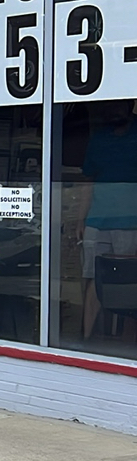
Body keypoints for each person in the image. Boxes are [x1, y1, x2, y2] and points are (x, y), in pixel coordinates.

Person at [74, 99, 137, 339]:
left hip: (131, 223)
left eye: (119, 105)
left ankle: (126, 345)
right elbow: (88, 182)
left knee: (129, 283)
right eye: (110, 106)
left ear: (130, 104)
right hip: (97, 222)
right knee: (92, 281)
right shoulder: (99, 139)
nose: (114, 110)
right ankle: (85, 340)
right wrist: (81, 219)